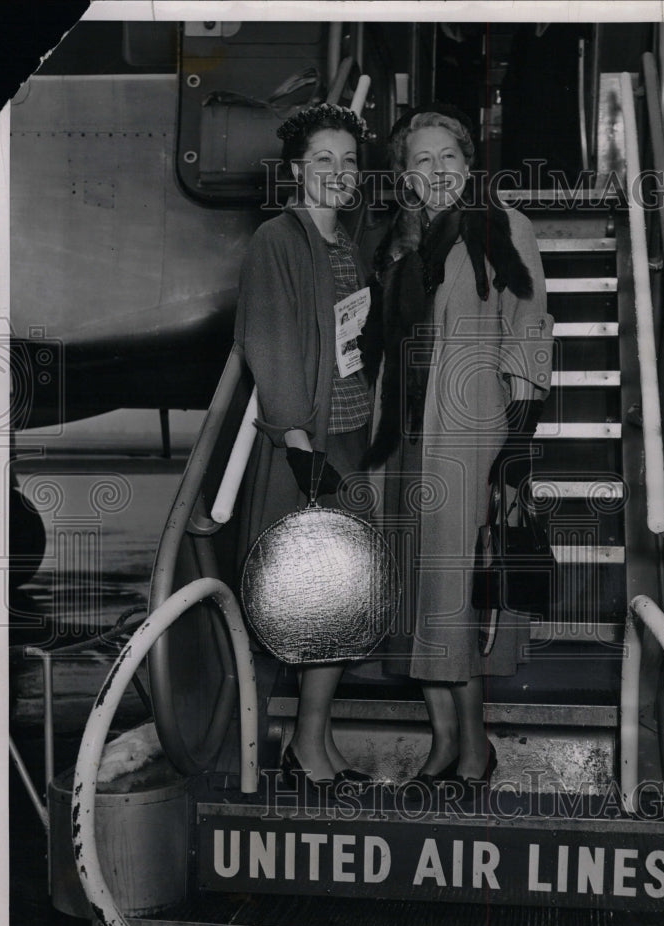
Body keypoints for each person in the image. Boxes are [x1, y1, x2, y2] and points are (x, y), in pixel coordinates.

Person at [360, 104, 554, 804]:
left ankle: (473, 751)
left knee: (454, 601)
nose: (436, 172)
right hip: (409, 442)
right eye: (421, 161)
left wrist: (517, 450)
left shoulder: (503, 227)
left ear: (468, 164)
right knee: (417, 597)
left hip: (468, 438)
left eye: (447, 158)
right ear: (406, 178)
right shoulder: (406, 243)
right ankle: (443, 741)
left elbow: (528, 336)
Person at [233, 103, 374, 794]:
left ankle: (312, 743)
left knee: (341, 600)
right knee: (299, 598)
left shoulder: (347, 242)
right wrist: (294, 440)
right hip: (307, 446)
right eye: (324, 159)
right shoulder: (277, 240)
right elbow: (268, 339)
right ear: (296, 169)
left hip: (349, 439)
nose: (339, 172)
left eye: (348, 161)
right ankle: (291, 751)